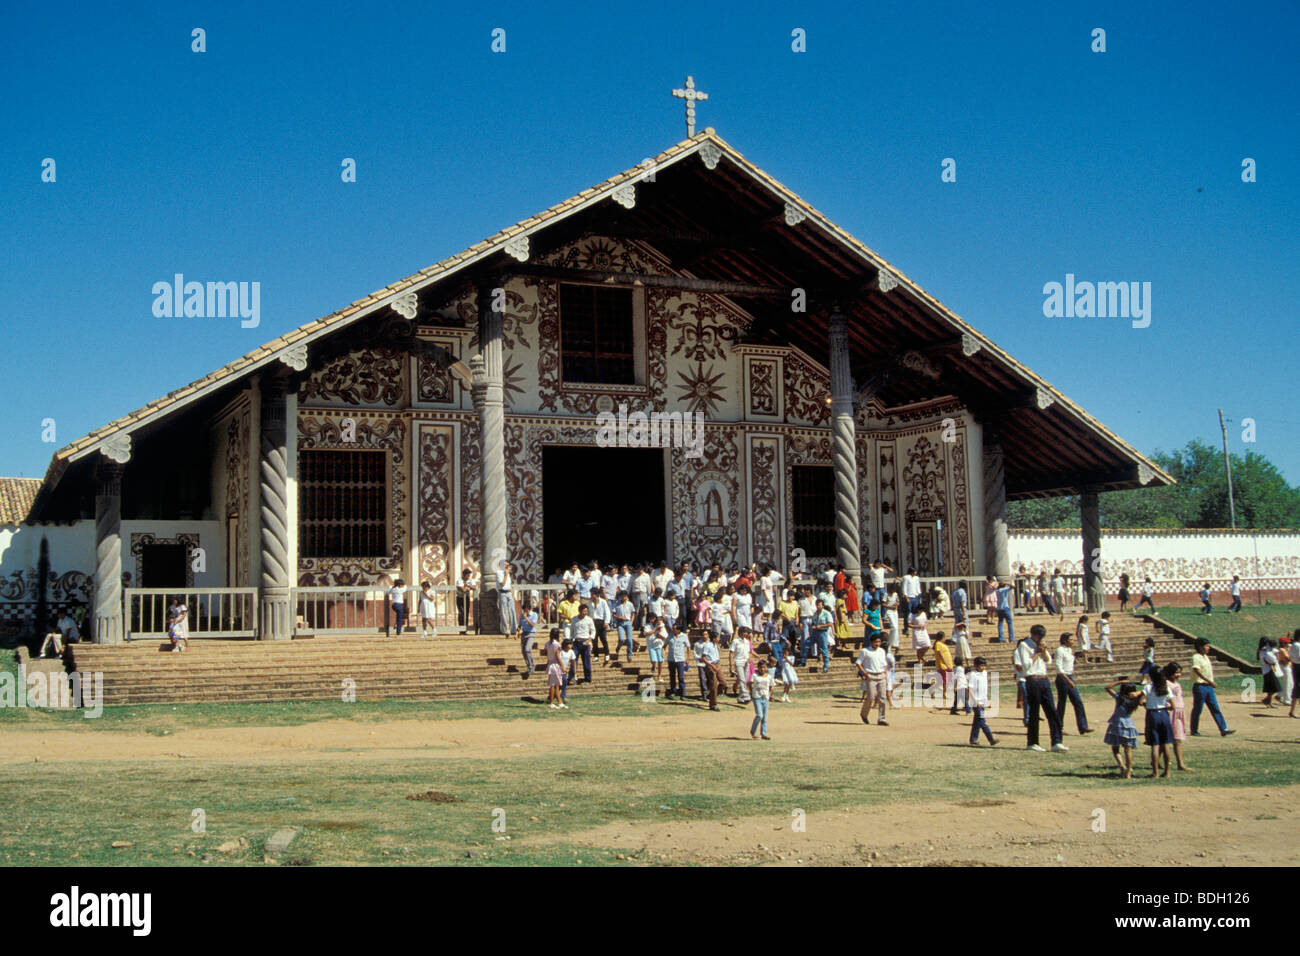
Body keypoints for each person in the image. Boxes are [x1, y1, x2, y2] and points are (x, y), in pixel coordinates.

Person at [1016, 624, 1067, 752]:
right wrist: (1037, 653)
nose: (1040, 639)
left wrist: (1043, 651)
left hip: (1044, 679)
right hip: (1032, 679)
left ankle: (1056, 741)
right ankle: (1033, 742)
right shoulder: (1024, 645)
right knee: (1034, 712)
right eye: (1038, 637)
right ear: (1033, 635)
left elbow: (1048, 660)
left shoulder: (1041, 644)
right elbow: (1026, 665)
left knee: (1051, 711)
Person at [1189, 638, 1235, 736]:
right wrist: (1209, 681)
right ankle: (1194, 730)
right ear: (1200, 647)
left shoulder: (1206, 657)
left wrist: (1210, 683)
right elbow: (1197, 670)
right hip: (1200, 687)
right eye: (1207, 646)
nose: (1208, 648)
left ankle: (1223, 728)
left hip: (1208, 688)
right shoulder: (1196, 657)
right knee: (1198, 709)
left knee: (1215, 707)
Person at [1053, 633, 1093, 735]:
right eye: (1071, 639)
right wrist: (1068, 680)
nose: (1073, 641)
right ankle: (1058, 727)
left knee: (1078, 701)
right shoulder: (1060, 650)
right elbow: (1059, 668)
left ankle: (1083, 726)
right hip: (1063, 678)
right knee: (1062, 703)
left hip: (1069, 676)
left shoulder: (1069, 650)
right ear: (1065, 641)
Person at [1103, 681, 1142, 778]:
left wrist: (1120, 681)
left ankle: (1122, 766)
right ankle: (1128, 772)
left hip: (1116, 723)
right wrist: (1138, 693)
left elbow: (1107, 687)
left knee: (1115, 748)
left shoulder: (1119, 698)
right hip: (1129, 724)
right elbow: (1146, 691)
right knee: (1128, 750)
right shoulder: (1135, 700)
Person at [1143, 665, 1175, 778]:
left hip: (1152, 715)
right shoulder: (1165, 687)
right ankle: (1167, 772)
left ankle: (1155, 772)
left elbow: (1142, 700)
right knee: (1165, 744)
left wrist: (1146, 705)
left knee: (1155, 745)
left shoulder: (1148, 687)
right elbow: (1173, 706)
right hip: (1164, 714)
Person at [857, 632, 889, 725]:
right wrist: (865, 673)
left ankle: (881, 718)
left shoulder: (882, 651)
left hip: (881, 675)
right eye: (876, 642)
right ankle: (864, 714)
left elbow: (884, 665)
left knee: (882, 697)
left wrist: (885, 675)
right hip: (870, 675)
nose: (877, 644)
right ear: (871, 642)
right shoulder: (865, 651)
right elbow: (858, 663)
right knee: (870, 697)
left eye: (879, 642)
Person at [1165, 662, 1191, 771]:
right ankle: (1156, 761)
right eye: (1176, 673)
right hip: (1170, 712)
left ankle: (1180, 763)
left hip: (1179, 712)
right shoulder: (1166, 684)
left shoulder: (1177, 684)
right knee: (1166, 739)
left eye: (1180, 673)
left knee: (1178, 738)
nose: (1178, 675)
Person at [967, 657, 998, 746]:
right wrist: (975, 701)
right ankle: (991, 739)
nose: (983, 667)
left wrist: (987, 701)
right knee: (981, 721)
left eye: (984, 665)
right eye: (981, 666)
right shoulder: (973, 675)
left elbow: (984, 688)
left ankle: (973, 739)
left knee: (977, 722)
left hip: (983, 701)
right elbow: (970, 688)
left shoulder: (984, 673)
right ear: (976, 665)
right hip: (976, 702)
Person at [950, 623, 973, 715]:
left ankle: (957, 709)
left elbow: (967, 636)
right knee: (960, 697)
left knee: (960, 697)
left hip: (961, 685)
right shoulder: (957, 632)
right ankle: (960, 709)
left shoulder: (964, 632)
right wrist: (961, 624)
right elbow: (955, 626)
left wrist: (965, 628)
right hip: (961, 685)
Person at [570, 604, 596, 684]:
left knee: (586, 662)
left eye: (586, 611)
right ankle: (572, 678)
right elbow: (572, 631)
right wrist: (571, 642)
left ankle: (588, 679)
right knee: (574, 661)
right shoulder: (574, 619)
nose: (585, 613)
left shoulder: (589, 620)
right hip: (576, 642)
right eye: (584, 611)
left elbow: (593, 631)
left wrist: (589, 640)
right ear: (580, 611)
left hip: (585, 642)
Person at [665, 623, 691, 701]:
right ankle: (673, 692)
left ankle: (682, 694)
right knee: (672, 677)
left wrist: (688, 658)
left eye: (674, 629)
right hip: (671, 659)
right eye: (673, 628)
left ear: (678, 630)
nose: (673, 630)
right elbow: (665, 645)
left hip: (680, 659)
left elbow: (688, 647)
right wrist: (664, 653)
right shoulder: (670, 636)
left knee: (681, 677)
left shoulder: (684, 636)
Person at [699, 632, 723, 710]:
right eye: (717, 637)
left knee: (723, 683)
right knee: (714, 684)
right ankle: (713, 704)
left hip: (717, 663)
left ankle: (712, 695)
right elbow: (703, 658)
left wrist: (718, 664)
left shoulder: (715, 645)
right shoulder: (707, 646)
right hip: (710, 664)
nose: (719, 639)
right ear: (714, 638)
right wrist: (711, 665)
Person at [750, 660, 774, 740]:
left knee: (764, 717)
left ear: (766, 668)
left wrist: (769, 695)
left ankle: (763, 733)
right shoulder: (755, 676)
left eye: (764, 667)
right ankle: (753, 731)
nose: (762, 669)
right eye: (761, 667)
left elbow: (771, 686)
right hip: (757, 697)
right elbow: (749, 683)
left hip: (765, 697)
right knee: (759, 715)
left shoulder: (769, 677)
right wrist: (751, 693)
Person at [730, 628, 753, 703]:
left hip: (746, 662)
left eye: (746, 633)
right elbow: (731, 653)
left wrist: (749, 658)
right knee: (742, 679)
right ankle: (746, 695)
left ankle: (740, 697)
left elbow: (749, 651)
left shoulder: (747, 642)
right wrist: (731, 665)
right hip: (738, 661)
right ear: (740, 633)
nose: (746, 634)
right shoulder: (735, 641)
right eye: (744, 632)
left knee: (745, 680)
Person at [809, 599, 834, 673]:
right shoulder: (815, 614)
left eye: (819, 605)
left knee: (824, 649)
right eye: (817, 605)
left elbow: (830, 623)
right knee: (807, 644)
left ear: (822, 605)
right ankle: (803, 661)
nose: (818, 606)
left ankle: (825, 666)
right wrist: (813, 626)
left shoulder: (826, 613)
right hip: (815, 632)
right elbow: (813, 622)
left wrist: (821, 626)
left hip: (823, 632)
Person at [1259, 637, 1284, 708]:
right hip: (1270, 670)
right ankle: (1266, 700)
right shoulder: (1266, 650)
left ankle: (1268, 702)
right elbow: (1270, 660)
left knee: (1271, 688)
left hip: (1266, 670)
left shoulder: (1263, 650)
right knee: (1276, 687)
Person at [544, 629, 566, 709]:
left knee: (556, 684)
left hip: (550, 663)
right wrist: (562, 666)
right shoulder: (557, 644)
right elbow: (557, 656)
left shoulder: (547, 644)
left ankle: (559, 702)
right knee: (553, 685)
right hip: (555, 665)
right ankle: (551, 702)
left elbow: (546, 653)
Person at [643, 612, 666, 684]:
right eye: (650, 618)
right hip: (651, 645)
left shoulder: (659, 624)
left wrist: (660, 630)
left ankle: (660, 675)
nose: (652, 620)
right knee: (653, 659)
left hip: (659, 645)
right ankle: (653, 665)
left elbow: (663, 631)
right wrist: (655, 629)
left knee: (660, 660)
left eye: (653, 618)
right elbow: (646, 633)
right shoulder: (647, 626)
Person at [612, 592, 635, 661]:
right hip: (620, 623)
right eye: (622, 596)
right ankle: (618, 647)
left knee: (629, 640)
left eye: (624, 596)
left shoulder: (630, 604)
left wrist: (631, 621)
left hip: (628, 622)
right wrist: (619, 617)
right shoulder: (617, 604)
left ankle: (629, 654)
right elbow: (613, 614)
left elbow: (633, 613)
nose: (623, 597)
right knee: (621, 639)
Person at [519, 599, 539, 677]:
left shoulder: (534, 614)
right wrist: (517, 633)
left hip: (531, 634)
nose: (525, 611)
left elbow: (532, 625)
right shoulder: (522, 615)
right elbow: (520, 625)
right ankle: (528, 665)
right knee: (523, 651)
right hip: (524, 634)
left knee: (527, 649)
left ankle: (531, 665)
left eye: (526, 610)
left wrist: (526, 618)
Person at [590, 590, 611, 662]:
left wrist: (606, 622)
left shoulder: (603, 602)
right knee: (594, 640)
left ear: (596, 594)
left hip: (601, 621)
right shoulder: (590, 603)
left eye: (592, 594)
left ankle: (607, 654)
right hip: (593, 622)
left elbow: (607, 612)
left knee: (603, 639)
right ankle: (596, 655)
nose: (591, 595)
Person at [932, 631, 953, 707]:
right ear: (942, 637)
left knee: (947, 680)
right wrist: (946, 663)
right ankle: (943, 693)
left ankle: (937, 691)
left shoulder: (942, 644)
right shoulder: (938, 644)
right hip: (943, 665)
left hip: (948, 665)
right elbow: (940, 654)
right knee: (944, 681)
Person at [498, 561, 517, 635]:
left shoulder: (508, 574)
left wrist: (512, 594)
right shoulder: (499, 573)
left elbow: (509, 585)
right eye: (506, 566)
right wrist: (506, 575)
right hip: (503, 593)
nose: (507, 567)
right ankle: (505, 630)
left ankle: (513, 629)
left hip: (509, 593)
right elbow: (502, 584)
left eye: (508, 566)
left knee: (512, 611)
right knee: (503, 612)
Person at [995, 578, 1014, 643]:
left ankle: (1001, 638)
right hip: (1005, 607)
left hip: (999, 608)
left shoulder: (997, 591)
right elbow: (1013, 586)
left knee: (1000, 623)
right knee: (1010, 623)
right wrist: (1006, 583)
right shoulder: (1004, 590)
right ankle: (1011, 638)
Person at [558, 639, 576, 706]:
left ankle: (553, 696)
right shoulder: (560, 651)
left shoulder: (571, 652)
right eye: (569, 644)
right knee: (564, 681)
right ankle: (563, 696)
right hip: (558, 669)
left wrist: (574, 670)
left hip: (563, 670)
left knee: (561, 684)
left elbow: (573, 661)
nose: (571, 646)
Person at [1290, 629, 1300, 719]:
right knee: (1297, 689)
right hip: (1298, 667)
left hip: (1295, 667)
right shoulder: (1298, 646)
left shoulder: (1293, 645)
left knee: (1296, 688)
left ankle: (1292, 711)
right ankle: (1292, 711)